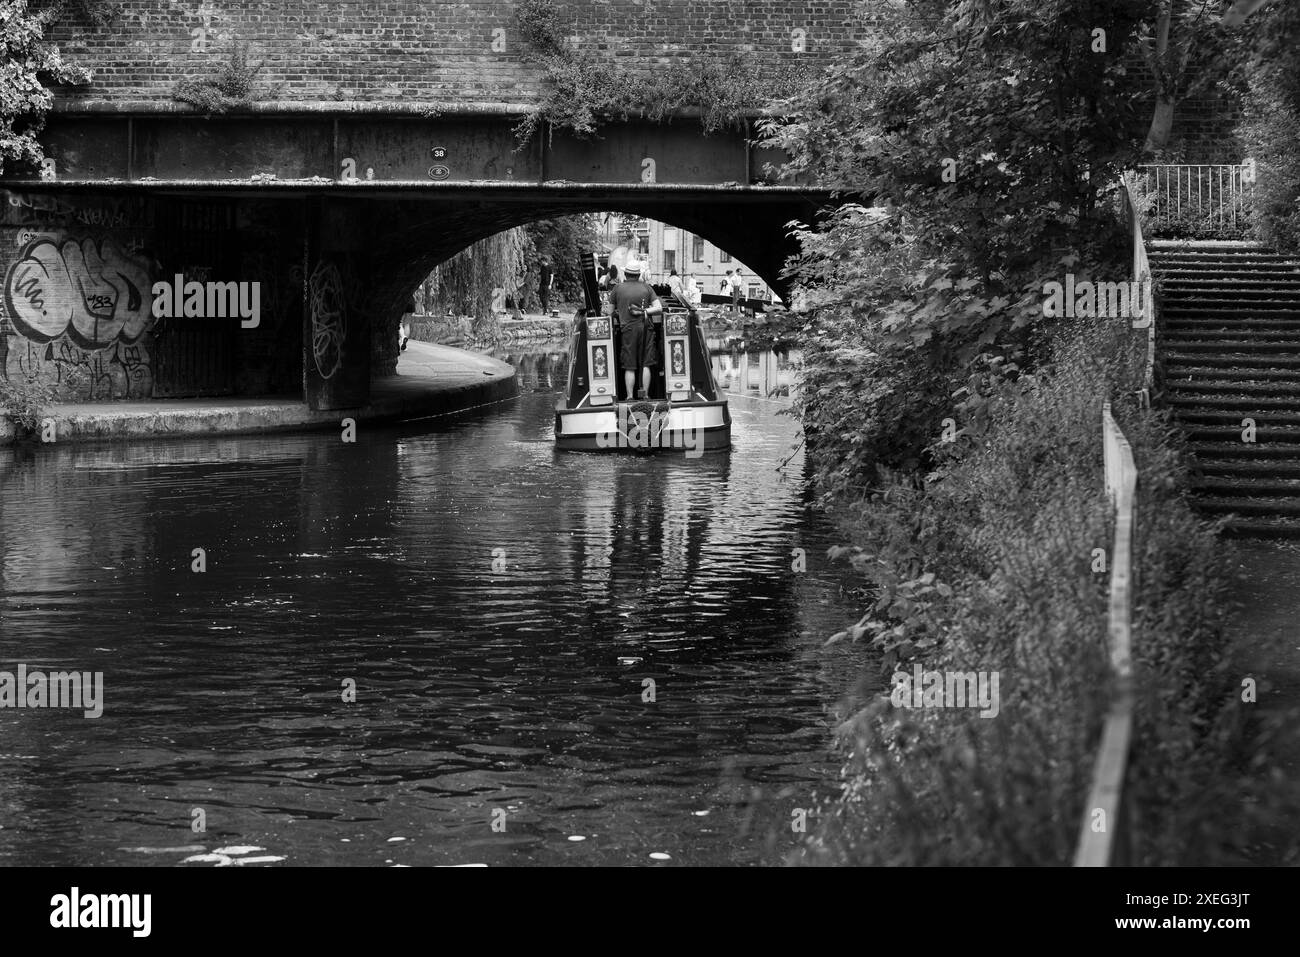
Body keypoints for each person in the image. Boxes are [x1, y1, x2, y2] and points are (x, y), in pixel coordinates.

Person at [610, 258, 662, 400]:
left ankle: (629, 397)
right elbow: (659, 308)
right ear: (639, 275)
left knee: (630, 365)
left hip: (628, 330)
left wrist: (618, 312)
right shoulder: (647, 288)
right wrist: (644, 311)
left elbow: (609, 312)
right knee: (646, 363)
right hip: (646, 329)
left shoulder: (617, 289)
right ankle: (645, 395)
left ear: (625, 274)